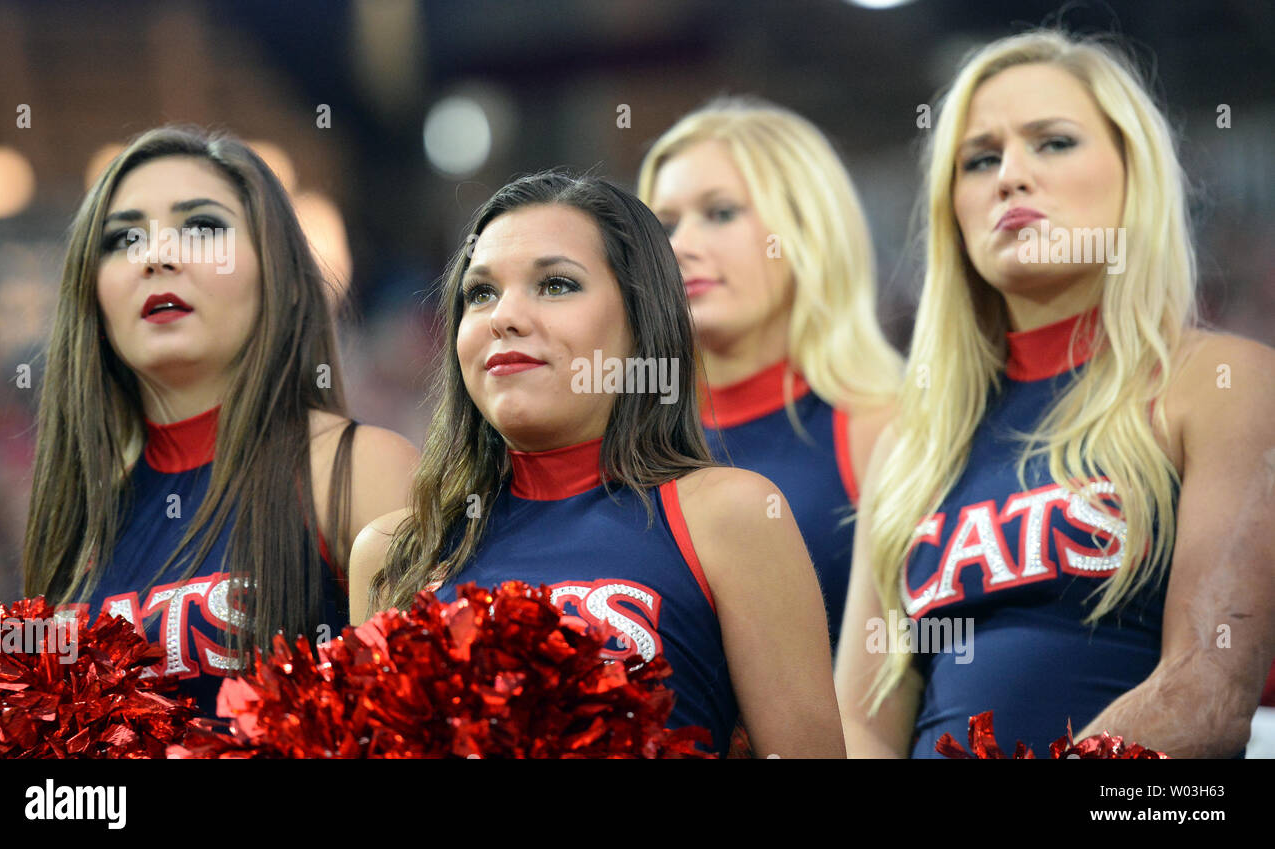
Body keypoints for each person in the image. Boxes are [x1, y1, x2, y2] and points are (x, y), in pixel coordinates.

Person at [835, 30, 1275, 758]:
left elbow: (1208, 690)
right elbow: (859, 725)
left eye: (1053, 143)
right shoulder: (912, 445)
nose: (1010, 175)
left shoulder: (1225, 384)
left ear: (1135, 174)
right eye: (980, 158)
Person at [349, 172, 845, 758]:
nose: (503, 316)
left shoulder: (729, 515)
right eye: (479, 293)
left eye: (556, 284)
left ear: (641, 323)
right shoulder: (393, 553)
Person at [22, 126, 419, 715]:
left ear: (281, 281)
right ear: (93, 297)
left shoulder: (361, 470)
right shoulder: (78, 520)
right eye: (123, 238)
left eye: (203, 228)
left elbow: (418, 730)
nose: (156, 257)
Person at [639, 97, 902, 653]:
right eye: (663, 223)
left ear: (808, 229)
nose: (680, 246)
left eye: (721, 212)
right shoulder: (619, 439)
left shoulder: (886, 426)